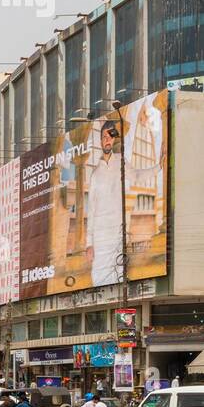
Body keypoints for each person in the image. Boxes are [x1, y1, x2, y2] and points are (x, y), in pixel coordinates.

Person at [86, 119, 124, 287]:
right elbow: (91, 209)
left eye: (110, 136)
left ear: (114, 139)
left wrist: (158, 167)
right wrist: (89, 244)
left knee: (120, 272)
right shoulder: (95, 173)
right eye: (104, 137)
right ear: (101, 140)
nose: (107, 140)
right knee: (99, 277)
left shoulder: (121, 162)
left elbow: (138, 175)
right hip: (101, 235)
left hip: (118, 230)